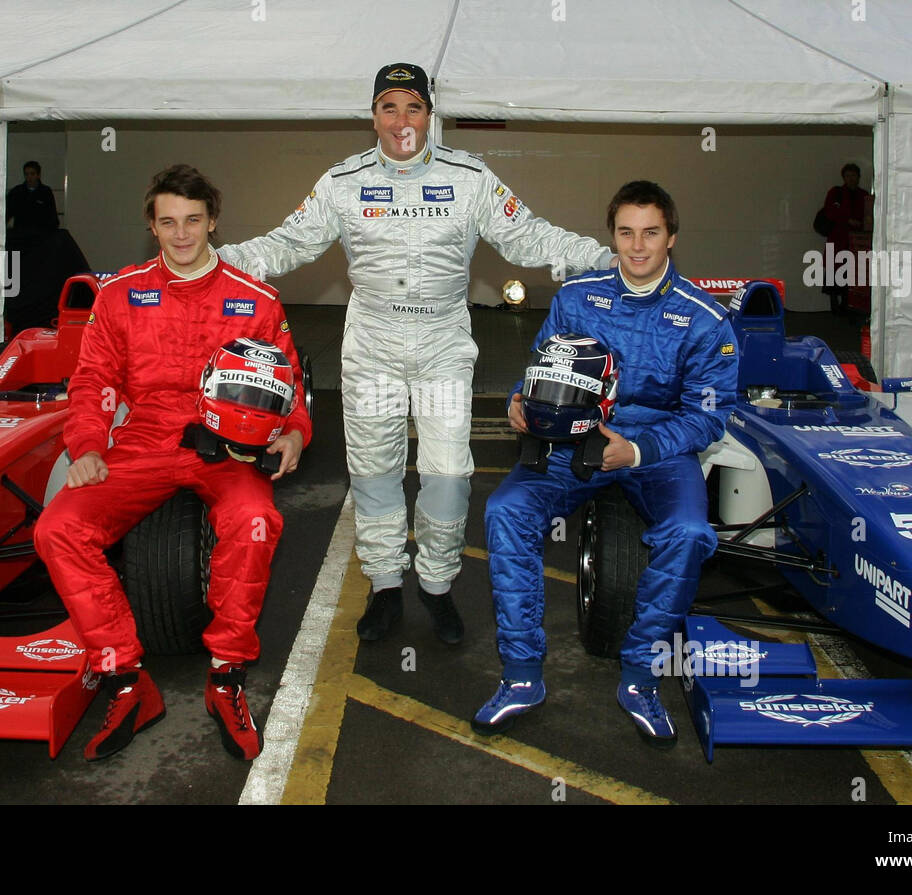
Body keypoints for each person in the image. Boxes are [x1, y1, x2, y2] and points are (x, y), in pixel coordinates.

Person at [217, 63, 612, 646]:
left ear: (431, 114)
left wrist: (605, 259)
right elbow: (286, 243)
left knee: (448, 473)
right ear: (373, 116)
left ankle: (437, 585)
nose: (401, 121)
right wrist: (213, 257)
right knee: (375, 470)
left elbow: (531, 236)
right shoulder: (342, 181)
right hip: (373, 341)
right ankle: (384, 586)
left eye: (413, 107)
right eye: (389, 108)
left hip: (441, 343)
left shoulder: (470, 178)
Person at [33, 164, 311, 762]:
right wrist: (85, 447)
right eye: (168, 223)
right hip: (144, 442)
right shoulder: (118, 295)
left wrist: (292, 434)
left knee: (256, 522)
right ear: (152, 227)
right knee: (59, 527)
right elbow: (93, 380)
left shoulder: (256, 298)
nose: (181, 234)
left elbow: (288, 385)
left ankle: (227, 675)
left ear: (212, 221)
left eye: (193, 221)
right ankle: (127, 681)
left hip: (228, 446)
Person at [473, 181, 738, 748]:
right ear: (611, 235)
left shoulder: (705, 318)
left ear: (672, 237)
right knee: (504, 512)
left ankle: (641, 678)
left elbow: (710, 418)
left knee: (690, 533)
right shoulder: (577, 297)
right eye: (625, 232)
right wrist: (523, 403)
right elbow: (541, 369)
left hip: (658, 452)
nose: (637, 247)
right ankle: (522, 675)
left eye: (651, 233)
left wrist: (637, 450)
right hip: (572, 443)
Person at [820, 162, 871, 316]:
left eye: (853, 175)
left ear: (859, 177)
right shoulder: (836, 193)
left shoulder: (864, 195)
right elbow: (830, 211)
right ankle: (835, 307)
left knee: (853, 274)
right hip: (838, 239)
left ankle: (848, 307)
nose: (851, 179)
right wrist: (847, 220)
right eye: (848, 176)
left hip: (857, 242)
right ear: (844, 177)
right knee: (833, 273)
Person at [7, 160, 59, 232]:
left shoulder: (45, 192)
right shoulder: (17, 192)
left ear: (38, 175)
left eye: (32, 174)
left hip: (40, 235)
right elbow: (6, 213)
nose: (29, 177)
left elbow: (52, 216)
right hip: (21, 235)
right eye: (26, 174)